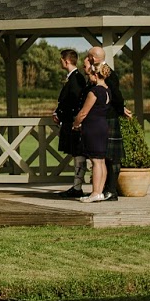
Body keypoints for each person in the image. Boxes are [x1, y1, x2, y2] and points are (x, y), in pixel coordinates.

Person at [87, 45, 129, 201]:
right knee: (103, 156)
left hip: (108, 116)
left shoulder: (108, 73)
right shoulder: (98, 72)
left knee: (111, 156)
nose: (88, 59)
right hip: (105, 117)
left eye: (89, 56)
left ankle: (111, 190)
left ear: (94, 58)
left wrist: (120, 109)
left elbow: (117, 96)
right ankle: (105, 189)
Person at [72, 60, 113, 203]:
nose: (89, 77)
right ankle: (99, 191)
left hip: (93, 128)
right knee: (101, 161)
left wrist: (75, 123)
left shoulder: (94, 92)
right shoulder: (108, 90)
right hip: (102, 127)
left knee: (95, 161)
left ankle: (95, 192)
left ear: (95, 75)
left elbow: (83, 112)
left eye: (90, 74)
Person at [52, 49, 89, 198]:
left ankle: (77, 186)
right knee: (76, 154)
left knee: (78, 154)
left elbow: (74, 102)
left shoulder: (76, 79)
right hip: (71, 121)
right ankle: (76, 185)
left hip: (74, 123)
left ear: (66, 61)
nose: (60, 62)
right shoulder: (74, 77)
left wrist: (61, 114)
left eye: (61, 59)